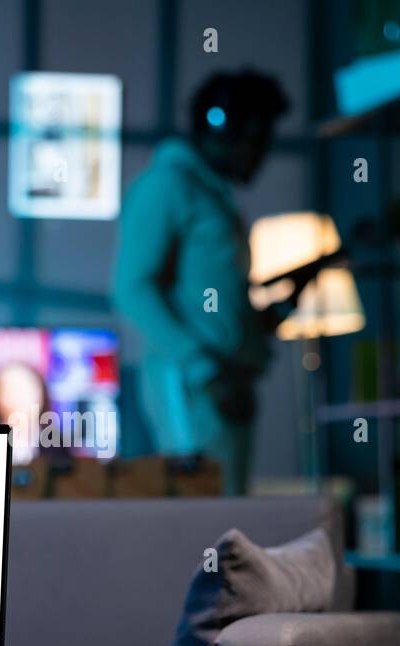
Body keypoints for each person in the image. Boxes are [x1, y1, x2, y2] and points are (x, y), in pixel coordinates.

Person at [112, 69, 295, 495]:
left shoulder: (211, 195)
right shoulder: (167, 187)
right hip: (194, 387)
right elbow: (132, 289)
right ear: (220, 127)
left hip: (221, 382)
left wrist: (257, 322)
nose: (262, 154)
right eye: (256, 138)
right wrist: (204, 368)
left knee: (224, 511)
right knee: (204, 518)